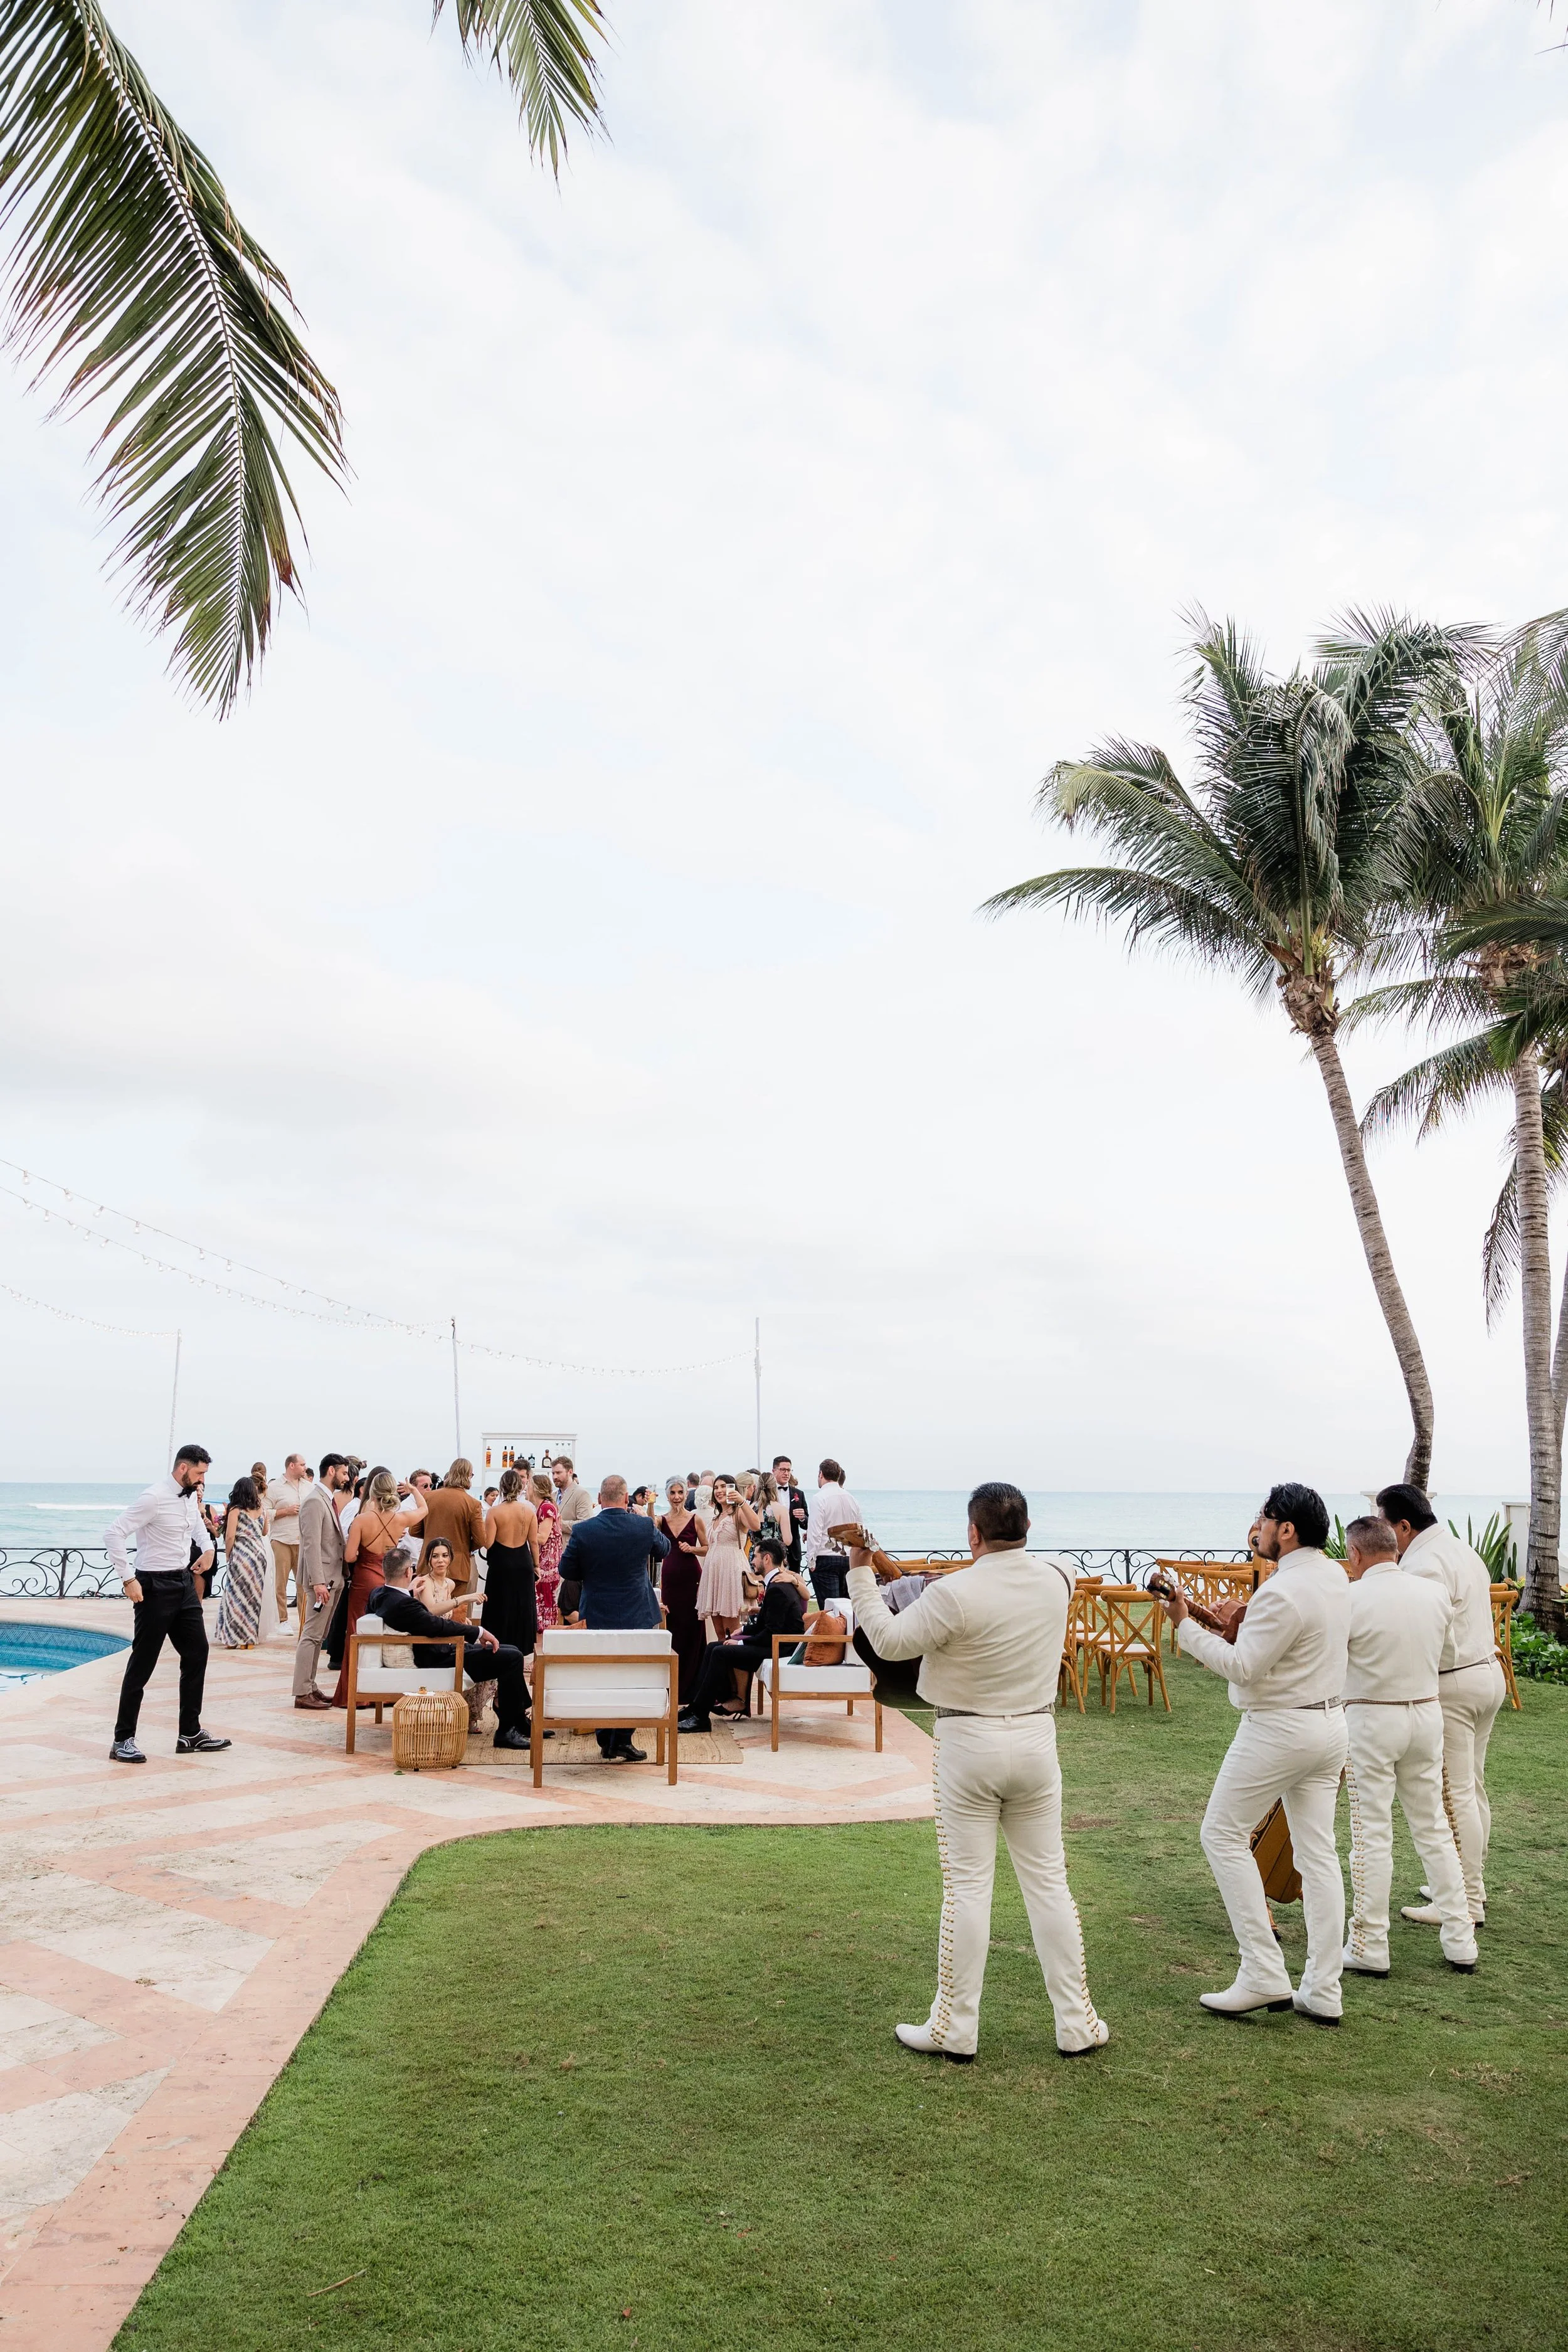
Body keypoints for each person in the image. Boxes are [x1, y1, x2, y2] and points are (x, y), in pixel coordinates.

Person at [845, 1482, 1104, 2060]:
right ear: (1028, 1529)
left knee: (968, 1888)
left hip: (968, 1741)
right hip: (1036, 1740)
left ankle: (955, 2027)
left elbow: (886, 1643)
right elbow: (1054, 1566)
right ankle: (1077, 2022)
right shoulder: (1057, 1577)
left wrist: (862, 1574)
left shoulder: (954, 1595)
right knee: (1049, 1883)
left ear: (972, 1533)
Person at [1158, 1481, 1350, 2025]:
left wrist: (1184, 1625)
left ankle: (1263, 1970)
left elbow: (1244, 1667)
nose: (1258, 1527)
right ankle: (1322, 1989)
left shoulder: (1283, 1591)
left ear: (1285, 1530)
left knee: (1219, 1833)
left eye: (1264, 1518)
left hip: (1279, 1730)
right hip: (1330, 1724)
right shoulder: (1335, 1577)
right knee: (1318, 1856)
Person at [1338, 1515, 1476, 1978]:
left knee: (1371, 1833)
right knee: (1434, 1828)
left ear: (1355, 1555)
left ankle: (1370, 1944)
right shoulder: (1432, 1593)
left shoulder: (1349, 1597)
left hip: (1371, 1717)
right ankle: (1461, 1940)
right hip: (1425, 1714)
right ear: (1394, 1549)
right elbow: (1449, 1656)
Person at [1376, 1483, 1505, 1931]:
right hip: (1488, 1674)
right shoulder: (1460, 1549)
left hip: (1455, 1683)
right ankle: (1470, 1885)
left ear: (1405, 1527)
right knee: (1472, 1787)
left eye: (1385, 1526)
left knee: (1454, 1795)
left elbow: (1423, 1632)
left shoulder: (1422, 1564)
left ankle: (1466, 1901)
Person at [106, 1444, 230, 1763]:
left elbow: (199, 1529)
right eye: (200, 1472)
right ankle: (123, 1740)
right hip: (153, 1586)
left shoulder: (189, 1497)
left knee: (197, 1652)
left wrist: (208, 1550)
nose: (203, 1479)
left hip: (184, 1583)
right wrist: (128, 1578)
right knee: (143, 1662)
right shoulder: (154, 1497)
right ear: (183, 1469)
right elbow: (114, 1533)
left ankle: (190, 1734)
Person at [371, 1549, 533, 1749]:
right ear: (408, 1572)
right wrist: (479, 1631)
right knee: (512, 1658)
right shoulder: (403, 1604)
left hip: (438, 1652)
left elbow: (412, 1617)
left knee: (510, 1650)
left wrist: (411, 1592)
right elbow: (438, 1625)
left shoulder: (379, 1595)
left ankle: (518, 1719)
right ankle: (506, 1731)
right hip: (437, 1660)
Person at [558, 1474, 670, 1760]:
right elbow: (664, 1550)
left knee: (600, 1673)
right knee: (635, 1675)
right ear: (626, 1498)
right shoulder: (643, 1525)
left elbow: (567, 1571)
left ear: (598, 1500)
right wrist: (648, 1519)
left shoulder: (584, 1531)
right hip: (638, 1611)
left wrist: (593, 1575)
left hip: (597, 1611)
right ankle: (621, 1739)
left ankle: (606, 1737)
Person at [680, 1536, 805, 1731]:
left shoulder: (779, 1588)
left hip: (781, 1648)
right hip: (774, 1642)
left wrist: (741, 1644)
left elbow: (771, 1633)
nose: (752, 1561)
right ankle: (697, 1708)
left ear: (767, 1559)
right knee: (714, 1647)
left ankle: (701, 1717)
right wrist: (744, 1630)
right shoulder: (776, 1583)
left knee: (721, 1652)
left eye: (755, 1556)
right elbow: (766, 1622)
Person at [332, 1468, 428, 1707]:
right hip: (389, 1579)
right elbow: (425, 1510)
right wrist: (415, 1489)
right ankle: (381, 1693)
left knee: (356, 1633)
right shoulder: (400, 1519)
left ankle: (352, 1695)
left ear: (372, 1494)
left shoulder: (362, 1520)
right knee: (383, 1633)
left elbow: (350, 1556)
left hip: (365, 1578)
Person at [292, 1453, 356, 1710]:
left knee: (320, 1636)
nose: (347, 1478)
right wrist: (318, 1582)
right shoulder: (314, 1502)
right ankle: (302, 1691)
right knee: (312, 1635)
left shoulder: (325, 1499)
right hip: (324, 1580)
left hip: (334, 1577)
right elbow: (311, 1544)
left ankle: (310, 1686)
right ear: (331, 1471)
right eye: (343, 1473)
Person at [659, 1476, 710, 1704]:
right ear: (667, 1495)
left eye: (681, 1493)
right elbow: (650, 1533)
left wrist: (692, 1549)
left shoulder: (695, 1519)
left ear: (686, 1494)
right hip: (670, 1582)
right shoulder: (661, 1520)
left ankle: (694, 1688)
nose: (677, 1497)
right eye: (673, 1493)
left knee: (693, 1630)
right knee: (673, 1631)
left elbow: (708, 1548)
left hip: (692, 1580)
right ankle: (672, 1687)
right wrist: (650, 1505)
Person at [484, 1469, 541, 1656]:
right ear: (521, 1487)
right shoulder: (529, 1511)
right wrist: (537, 1565)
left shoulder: (494, 1511)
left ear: (501, 1487)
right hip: (523, 1562)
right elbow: (533, 1542)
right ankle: (522, 1651)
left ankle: (497, 1646)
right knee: (522, 1606)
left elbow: (489, 1543)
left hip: (501, 1563)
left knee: (499, 1605)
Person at [695, 1475, 756, 1640]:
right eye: (716, 1488)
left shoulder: (738, 1514)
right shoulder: (716, 1517)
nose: (720, 1491)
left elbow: (756, 1525)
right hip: (714, 1574)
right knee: (720, 1633)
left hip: (731, 1571)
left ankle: (737, 1665)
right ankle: (722, 1664)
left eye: (724, 1487)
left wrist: (742, 1502)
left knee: (734, 1633)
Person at [215, 1476, 272, 1649]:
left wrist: (228, 1554)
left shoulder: (236, 1510)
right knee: (253, 1598)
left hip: (242, 1553)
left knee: (235, 1597)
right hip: (258, 1554)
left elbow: (230, 1536)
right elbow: (265, 1531)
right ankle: (249, 1640)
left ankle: (234, 1638)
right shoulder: (262, 1509)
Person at [418, 1459, 487, 1594]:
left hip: (429, 1563)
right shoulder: (472, 1504)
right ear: (468, 1476)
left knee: (426, 1611)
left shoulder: (428, 1497)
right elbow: (481, 1540)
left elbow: (414, 1530)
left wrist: (432, 1538)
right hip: (458, 1567)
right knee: (457, 1612)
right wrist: (463, 1546)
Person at [805, 1458, 861, 1600]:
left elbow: (815, 1533)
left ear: (821, 1475)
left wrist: (811, 1560)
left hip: (826, 1558)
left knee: (829, 1609)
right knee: (847, 1610)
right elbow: (859, 1531)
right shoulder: (852, 1499)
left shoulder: (819, 1499)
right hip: (848, 1558)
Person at [265, 1453, 310, 1629]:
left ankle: (305, 1623)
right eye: (302, 1464)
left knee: (304, 1586)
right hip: (281, 1541)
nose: (305, 1467)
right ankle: (282, 1621)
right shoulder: (274, 1487)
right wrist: (285, 1511)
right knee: (280, 1584)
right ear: (291, 1466)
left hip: (303, 1542)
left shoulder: (309, 1487)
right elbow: (264, 1513)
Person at [532, 1471, 564, 1629]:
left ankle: (546, 1633)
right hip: (546, 1562)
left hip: (548, 1563)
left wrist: (522, 1532)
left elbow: (542, 1537)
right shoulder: (544, 1507)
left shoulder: (546, 1508)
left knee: (546, 1598)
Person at [771, 1455, 810, 1571]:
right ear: (774, 1471)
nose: (786, 1473)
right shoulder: (767, 1494)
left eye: (789, 1470)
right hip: (772, 1549)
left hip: (793, 1550)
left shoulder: (798, 1494)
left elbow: (807, 1524)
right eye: (783, 1470)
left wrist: (803, 1517)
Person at [552, 1455, 595, 1547]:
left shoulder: (582, 1494)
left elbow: (586, 1524)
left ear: (570, 1472)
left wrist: (558, 1524)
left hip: (571, 1550)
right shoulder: (552, 1496)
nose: (555, 1477)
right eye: (553, 1473)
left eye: (559, 1473)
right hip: (552, 1553)